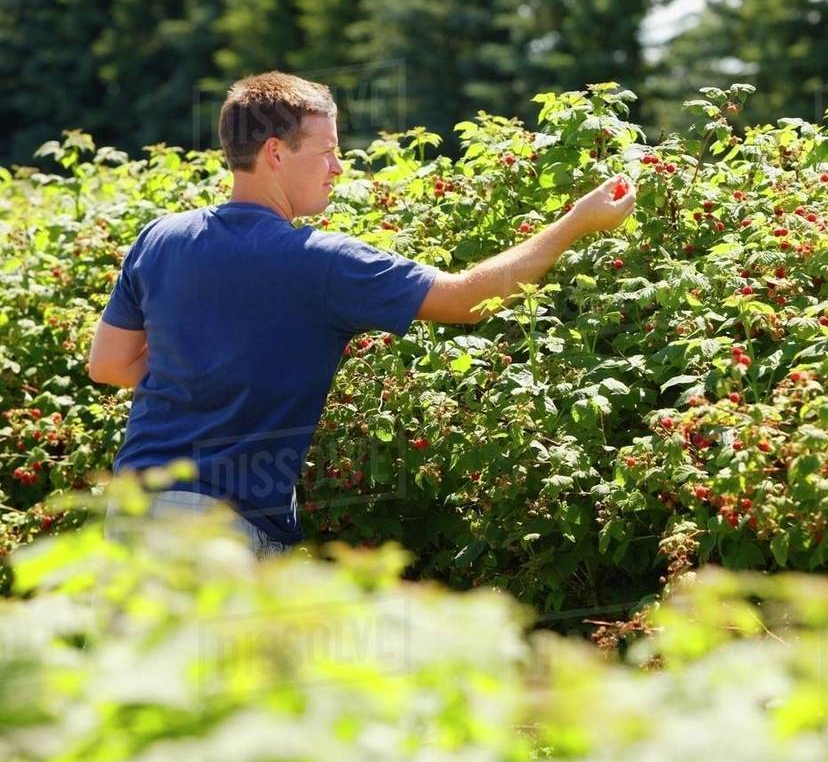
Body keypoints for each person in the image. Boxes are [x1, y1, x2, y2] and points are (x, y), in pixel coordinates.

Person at [88, 71, 636, 559]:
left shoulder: (160, 238)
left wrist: (204, 379)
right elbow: (465, 299)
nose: (338, 166)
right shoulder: (322, 261)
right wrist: (575, 224)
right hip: (218, 529)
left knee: (133, 675)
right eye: (325, 151)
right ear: (275, 153)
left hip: (135, 508)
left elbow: (109, 364)